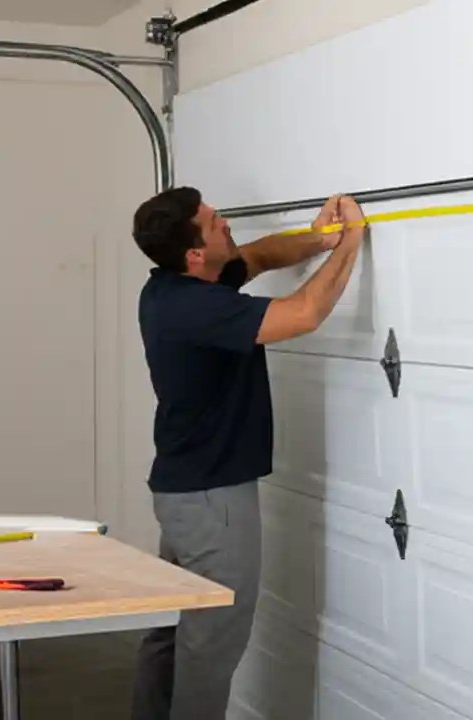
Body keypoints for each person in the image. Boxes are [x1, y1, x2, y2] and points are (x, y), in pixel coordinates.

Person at [127, 186, 366, 720]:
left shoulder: (173, 284)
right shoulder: (194, 307)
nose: (226, 223)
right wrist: (351, 241)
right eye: (214, 223)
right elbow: (303, 313)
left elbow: (255, 257)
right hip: (215, 503)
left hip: (184, 493)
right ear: (193, 252)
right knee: (209, 646)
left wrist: (318, 239)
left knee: (173, 633)